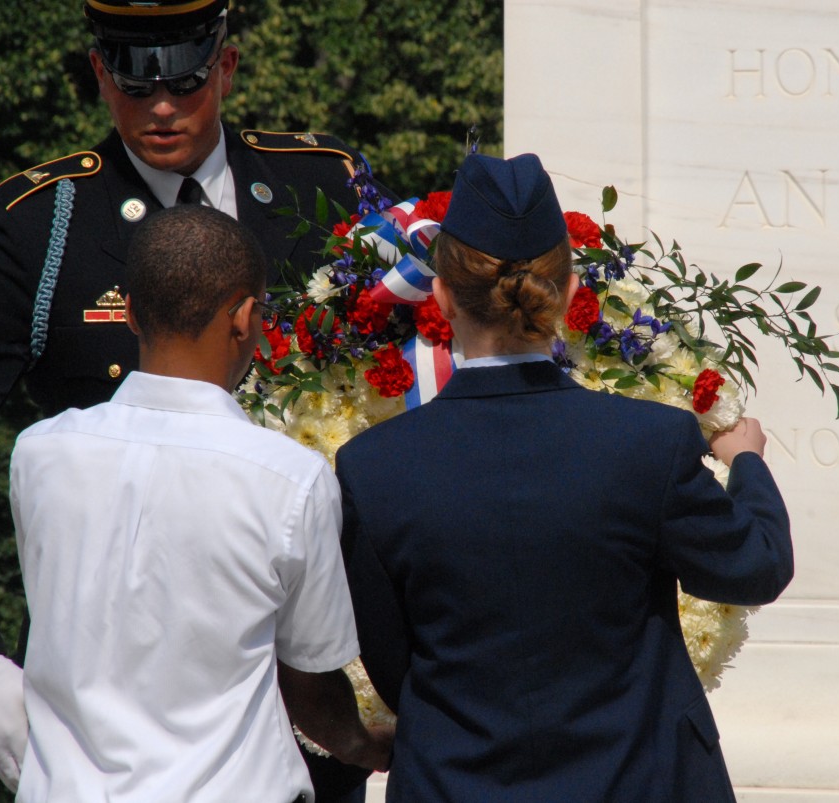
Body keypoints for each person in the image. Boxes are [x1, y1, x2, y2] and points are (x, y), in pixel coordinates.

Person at [0, 0, 380, 796]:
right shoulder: (44, 224)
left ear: (225, 65)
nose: (159, 108)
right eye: (132, 82)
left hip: (310, 697)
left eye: (184, 82)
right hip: (110, 716)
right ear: (97, 73)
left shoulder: (323, 187)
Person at [335, 153, 795, 801]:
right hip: (637, 779)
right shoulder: (649, 443)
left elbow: (393, 663)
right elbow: (753, 566)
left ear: (439, 295)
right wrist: (746, 459)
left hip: (458, 781)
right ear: (572, 291)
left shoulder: (373, 466)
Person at [9, 204, 391, 801]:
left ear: (131, 313)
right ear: (243, 317)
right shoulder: (289, 478)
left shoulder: (38, 453)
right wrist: (368, 745)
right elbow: (312, 688)